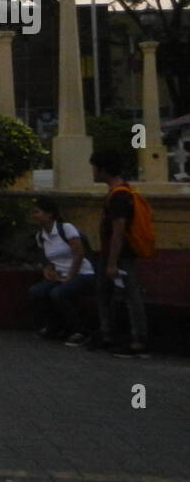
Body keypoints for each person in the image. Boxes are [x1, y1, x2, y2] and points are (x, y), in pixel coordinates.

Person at [90, 151, 149, 357]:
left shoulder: (119, 196)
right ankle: (108, 335)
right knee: (105, 293)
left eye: (94, 168)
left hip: (120, 255)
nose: (93, 172)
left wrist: (112, 262)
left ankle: (138, 341)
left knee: (130, 296)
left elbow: (118, 231)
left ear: (102, 169)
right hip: (112, 254)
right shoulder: (121, 192)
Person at [27, 197, 94, 346]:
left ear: (49, 214)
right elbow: (51, 259)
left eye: (37, 212)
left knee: (58, 293)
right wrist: (49, 270)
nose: (34, 215)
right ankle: (54, 325)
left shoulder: (66, 229)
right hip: (60, 275)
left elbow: (79, 253)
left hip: (83, 274)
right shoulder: (41, 236)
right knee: (36, 292)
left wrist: (71, 276)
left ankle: (79, 331)